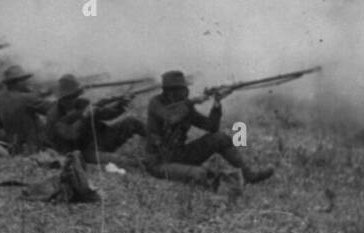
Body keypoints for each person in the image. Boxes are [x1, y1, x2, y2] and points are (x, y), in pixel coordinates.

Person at [144, 70, 274, 185]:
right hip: (158, 162)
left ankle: (248, 174)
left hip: (179, 155)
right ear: (169, 92)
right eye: (181, 90)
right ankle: (230, 185)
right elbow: (170, 118)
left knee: (220, 138)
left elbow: (211, 127)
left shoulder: (185, 107)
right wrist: (191, 102)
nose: (185, 92)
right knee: (200, 174)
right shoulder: (156, 103)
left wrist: (217, 102)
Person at [44, 74, 147, 164]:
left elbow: (106, 115)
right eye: (73, 96)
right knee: (125, 161)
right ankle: (144, 163)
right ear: (63, 98)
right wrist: (84, 117)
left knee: (132, 122)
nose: (76, 98)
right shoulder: (54, 116)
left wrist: (120, 106)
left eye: (77, 94)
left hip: (101, 139)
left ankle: (160, 144)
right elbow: (71, 135)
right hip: (81, 151)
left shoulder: (82, 103)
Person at [0, 64, 48, 154]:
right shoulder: (24, 99)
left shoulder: (2, 96)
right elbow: (47, 108)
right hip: (29, 146)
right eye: (23, 80)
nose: (26, 82)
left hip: (13, 141)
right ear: (16, 83)